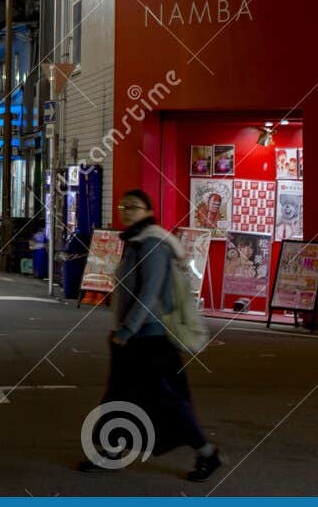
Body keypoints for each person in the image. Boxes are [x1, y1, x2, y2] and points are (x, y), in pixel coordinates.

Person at [79, 189, 222, 481]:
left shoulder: (152, 243)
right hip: (131, 335)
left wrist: (129, 329)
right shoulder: (135, 241)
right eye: (123, 205)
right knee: (121, 395)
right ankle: (112, 450)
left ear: (148, 210)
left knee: (165, 400)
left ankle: (207, 453)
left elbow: (149, 292)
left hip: (150, 338)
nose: (127, 210)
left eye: (134, 206)